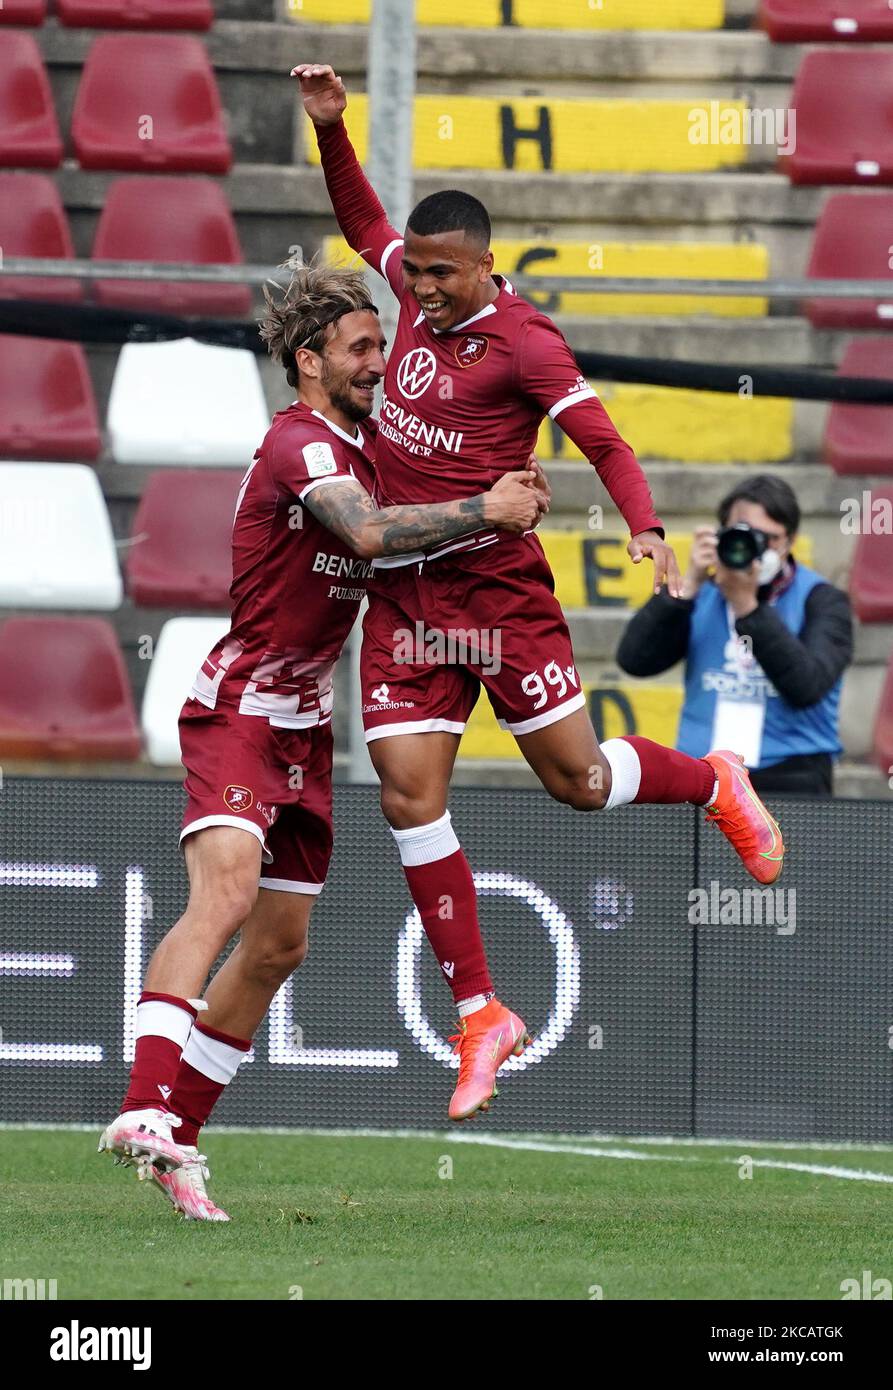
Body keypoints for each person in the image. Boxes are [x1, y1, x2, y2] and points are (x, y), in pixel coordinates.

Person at [292, 63, 787, 1124]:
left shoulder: (525, 341)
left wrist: (646, 529)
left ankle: (710, 782)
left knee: (575, 781)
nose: (414, 289)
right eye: (410, 273)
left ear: (481, 264)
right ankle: (480, 1011)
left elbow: (599, 439)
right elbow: (361, 215)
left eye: (435, 274)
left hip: (498, 600)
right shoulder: (409, 286)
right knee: (407, 794)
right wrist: (332, 128)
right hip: (409, 596)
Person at [98, 260, 547, 1220]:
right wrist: (485, 509)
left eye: (382, 344)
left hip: (306, 725)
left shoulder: (365, 441)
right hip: (242, 710)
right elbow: (374, 535)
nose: (378, 363)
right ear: (309, 362)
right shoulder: (300, 445)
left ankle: (177, 1137)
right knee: (221, 896)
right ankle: (140, 1108)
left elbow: (430, 457)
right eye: (359, 348)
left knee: (278, 947)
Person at [617, 474, 853, 797]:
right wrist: (685, 589)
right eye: (741, 535)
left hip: (791, 776)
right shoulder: (701, 595)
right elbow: (634, 661)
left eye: (766, 538)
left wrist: (746, 604)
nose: (752, 548)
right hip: (704, 774)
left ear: (790, 540)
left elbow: (807, 686)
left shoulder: (823, 600)